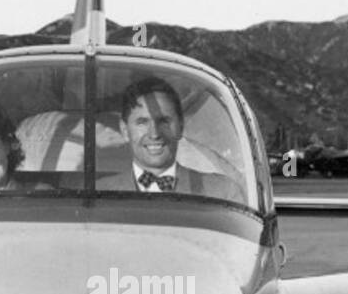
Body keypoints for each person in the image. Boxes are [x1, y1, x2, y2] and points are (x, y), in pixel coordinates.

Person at [97, 77, 240, 201]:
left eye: (164, 121)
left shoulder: (222, 192)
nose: (154, 134)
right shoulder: (101, 194)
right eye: (142, 122)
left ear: (180, 127)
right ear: (125, 130)